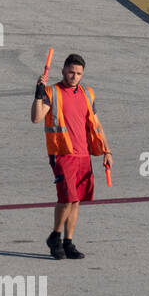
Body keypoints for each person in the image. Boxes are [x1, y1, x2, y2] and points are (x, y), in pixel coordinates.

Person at [29, 53, 111, 259]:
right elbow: (36, 118)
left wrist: (107, 151)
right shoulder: (53, 92)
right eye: (71, 72)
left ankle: (68, 242)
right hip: (62, 153)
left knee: (76, 201)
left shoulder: (87, 93)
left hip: (83, 154)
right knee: (67, 198)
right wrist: (38, 95)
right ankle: (55, 236)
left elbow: (97, 124)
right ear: (63, 70)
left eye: (78, 73)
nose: (74, 76)